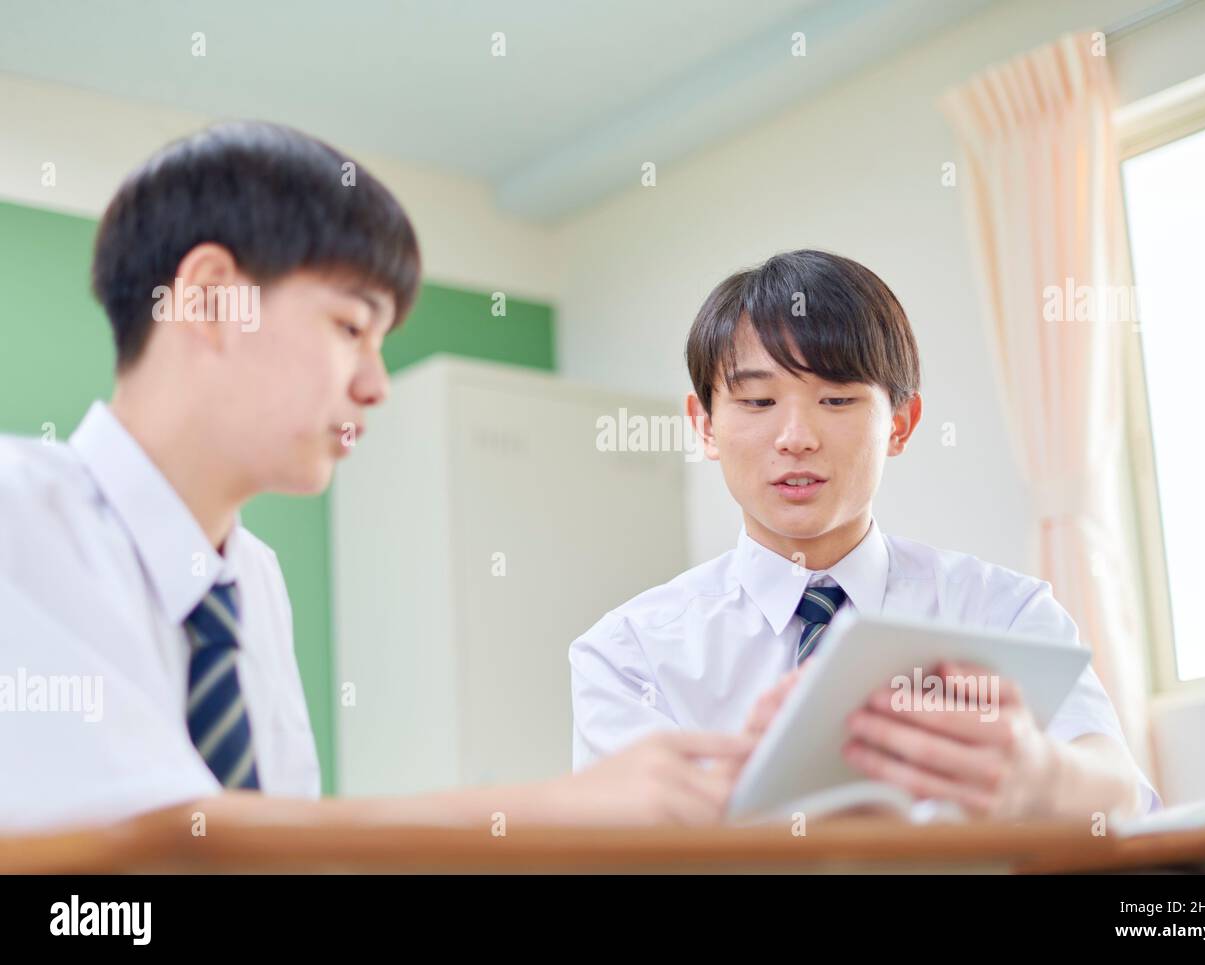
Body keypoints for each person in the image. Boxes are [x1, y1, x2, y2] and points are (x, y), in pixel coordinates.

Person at [0, 121, 749, 832]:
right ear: (209, 298)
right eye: (352, 328)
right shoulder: (19, 516)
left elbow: (279, 851)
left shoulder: (249, 581)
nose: (376, 385)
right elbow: (159, 836)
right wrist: (556, 806)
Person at [570, 249, 1159, 821]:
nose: (796, 436)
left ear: (900, 424)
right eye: (757, 400)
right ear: (705, 427)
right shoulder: (629, 653)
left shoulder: (1001, 612)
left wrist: (1040, 778)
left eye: (836, 398)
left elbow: (1121, 795)